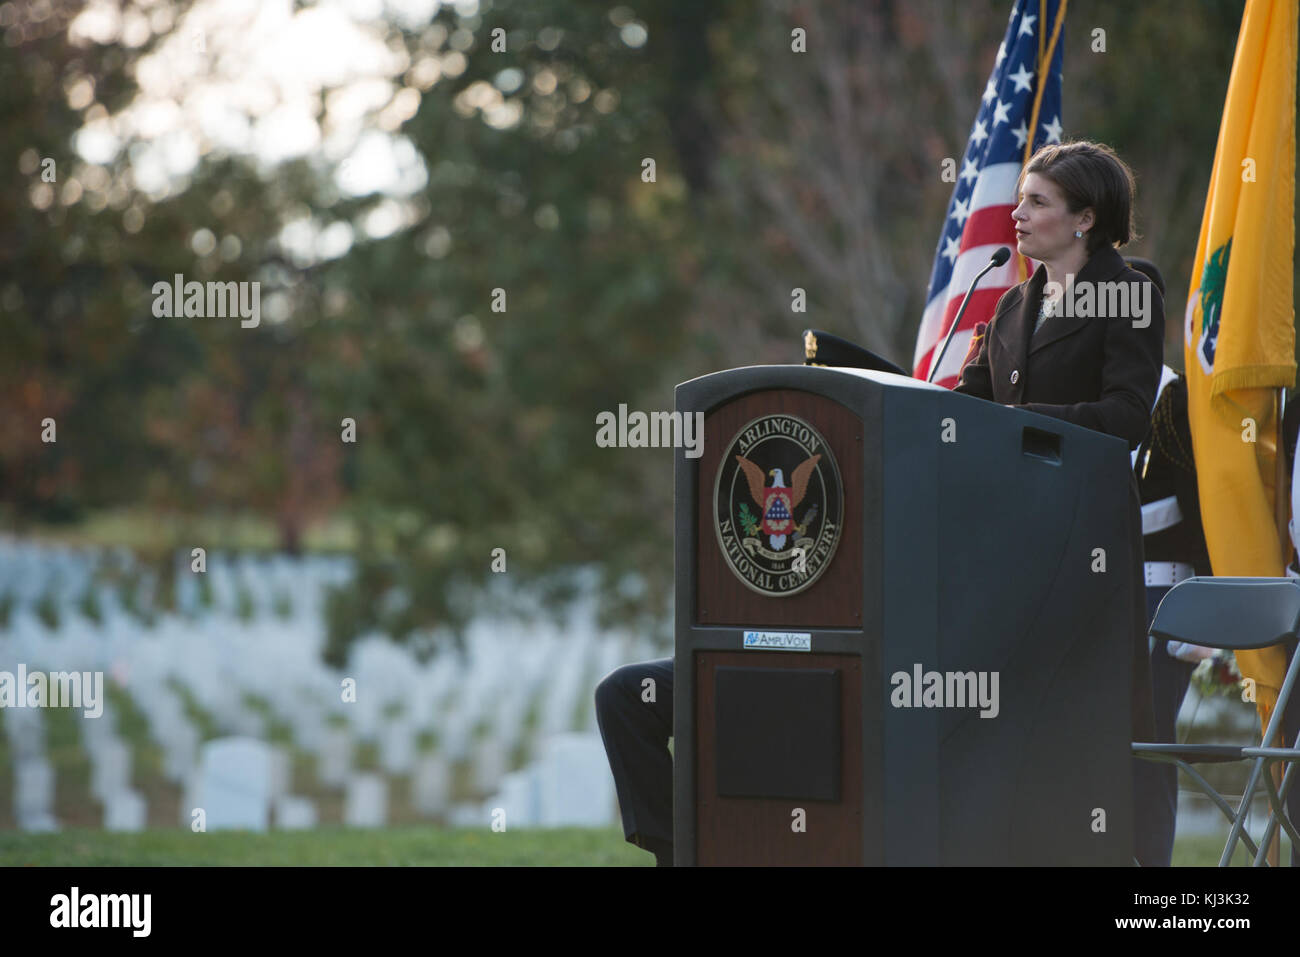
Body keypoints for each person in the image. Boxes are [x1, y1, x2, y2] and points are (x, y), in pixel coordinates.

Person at [953, 141, 1164, 755]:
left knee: (1076, 730)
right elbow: (962, 411)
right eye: (1019, 197)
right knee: (1012, 729)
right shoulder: (1011, 303)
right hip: (1006, 535)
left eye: (1036, 201)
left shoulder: (1129, 292)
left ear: (1086, 218)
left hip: (1084, 535)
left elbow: (1127, 418)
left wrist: (1017, 422)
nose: (1016, 213)